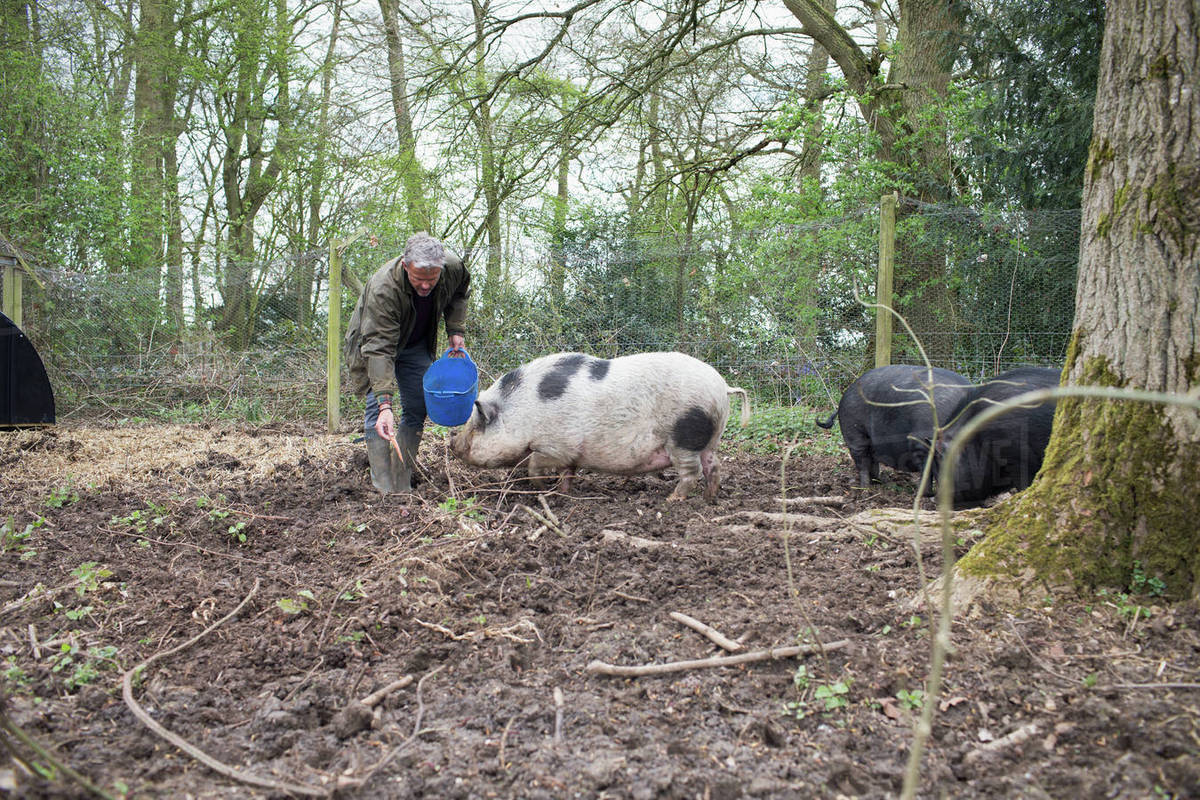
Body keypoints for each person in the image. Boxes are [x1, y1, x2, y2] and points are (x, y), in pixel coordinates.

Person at [343, 232, 470, 493]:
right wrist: (386, 404)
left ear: (441, 268)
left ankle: (401, 480)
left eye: (431, 280)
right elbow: (379, 348)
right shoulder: (383, 289)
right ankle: (384, 488)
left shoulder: (453, 267)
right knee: (376, 412)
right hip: (375, 345)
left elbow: (460, 291)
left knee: (418, 405)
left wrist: (455, 328)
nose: (425, 286)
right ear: (404, 265)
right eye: (418, 279)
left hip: (415, 344)